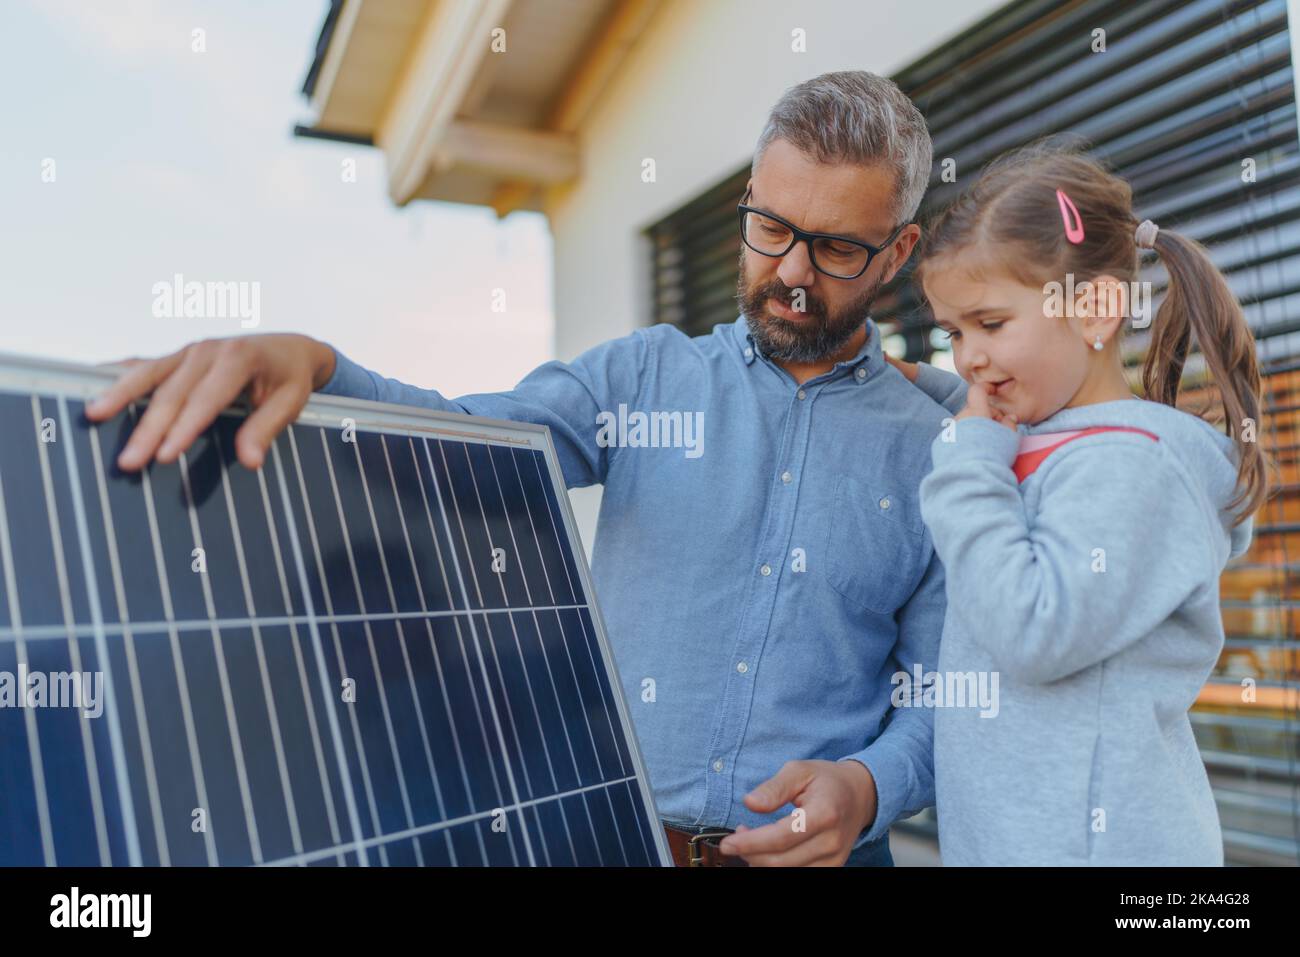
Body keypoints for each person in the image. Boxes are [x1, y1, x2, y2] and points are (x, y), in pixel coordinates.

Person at [88, 71, 958, 866]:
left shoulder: (938, 449)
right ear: (749, 200)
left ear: (901, 249)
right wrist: (321, 366)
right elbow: (463, 443)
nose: (792, 273)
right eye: (770, 228)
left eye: (837, 248)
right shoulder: (645, 376)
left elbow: (941, 700)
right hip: (612, 844)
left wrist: (869, 789)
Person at [890, 144, 1267, 864]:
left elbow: (1035, 627)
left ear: (1094, 309)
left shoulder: (1135, 469)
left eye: (990, 323)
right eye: (953, 332)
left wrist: (968, 464)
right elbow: (997, 424)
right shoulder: (1054, 434)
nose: (967, 357)